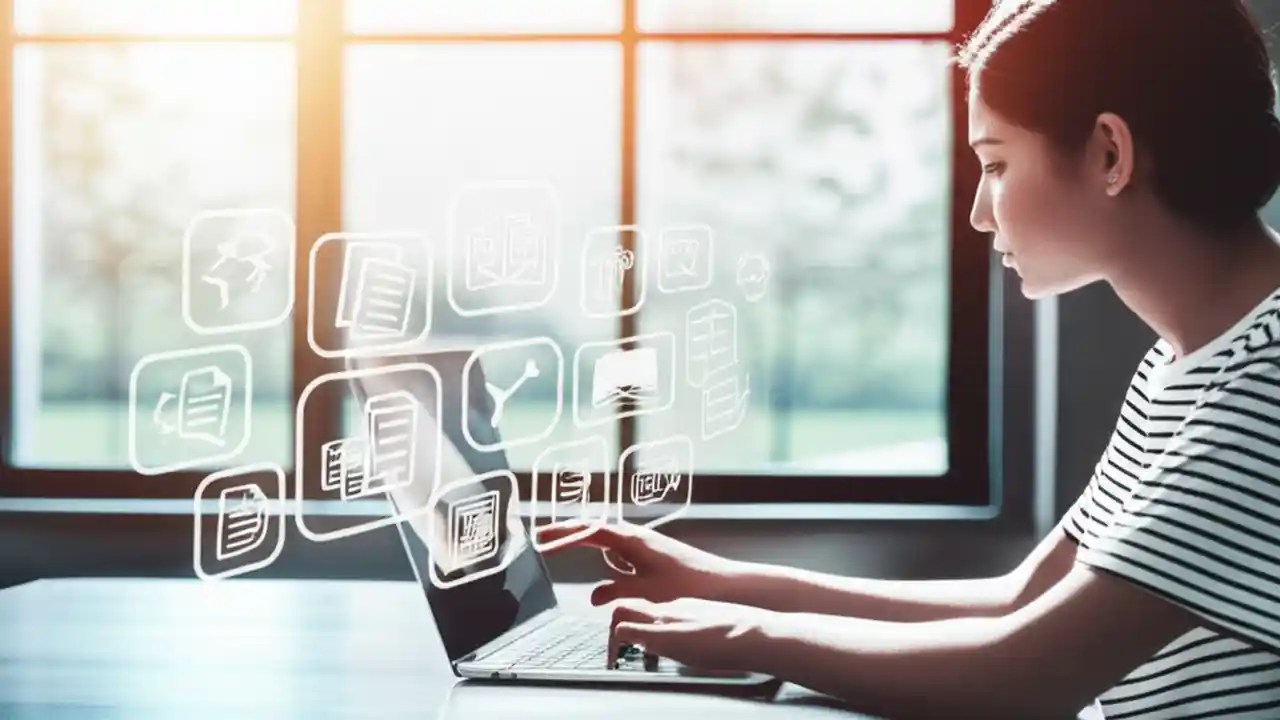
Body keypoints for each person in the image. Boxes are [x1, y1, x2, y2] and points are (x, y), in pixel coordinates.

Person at [537, 1, 1280, 717]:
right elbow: (1021, 598)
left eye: (995, 165)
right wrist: (730, 585)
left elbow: (1028, 674)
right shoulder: (1184, 363)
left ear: (1110, 154)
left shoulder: (1264, 382)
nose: (979, 214)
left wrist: (751, 639)